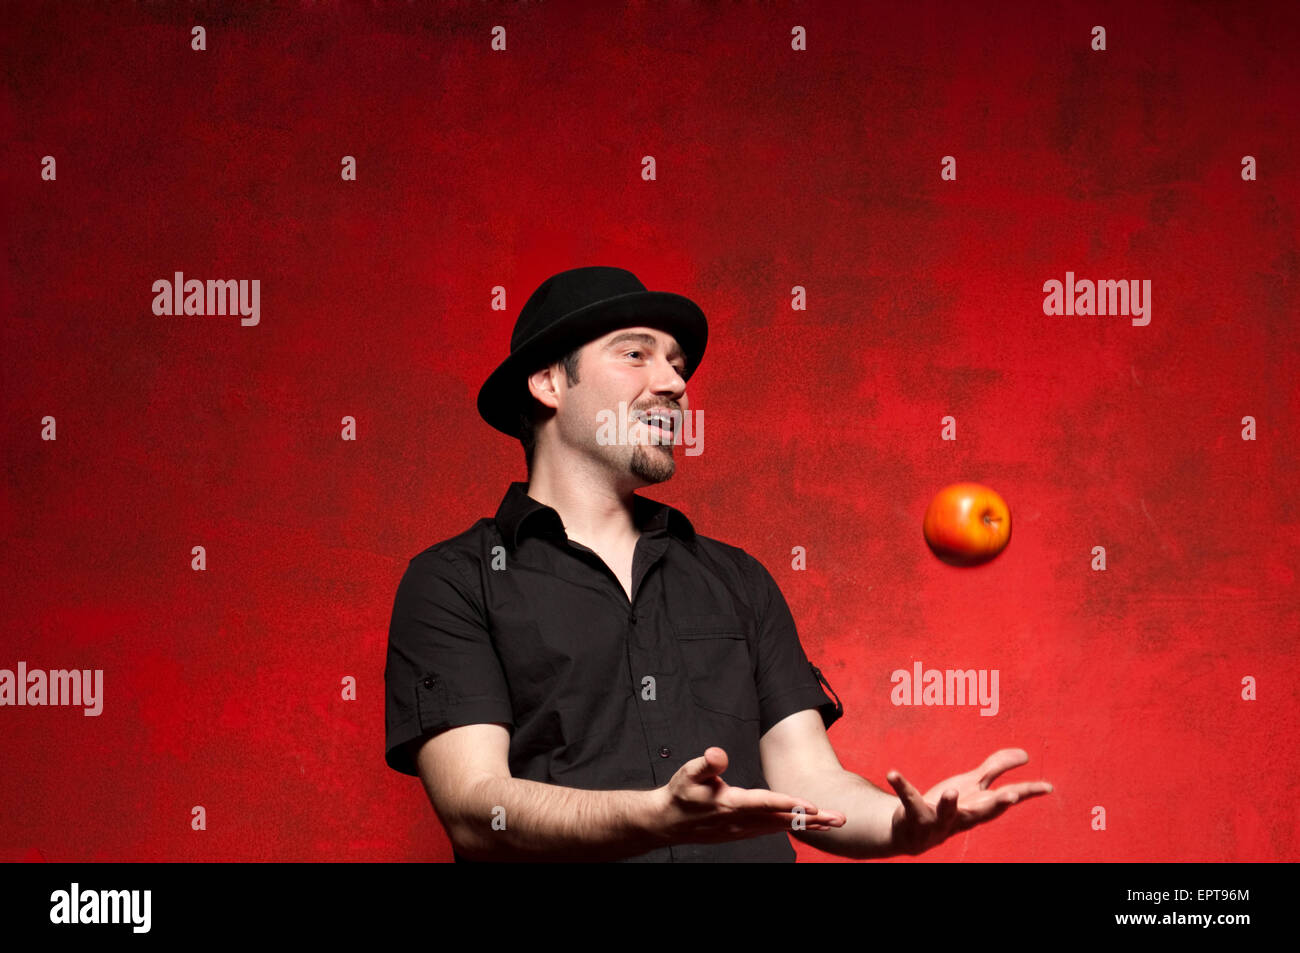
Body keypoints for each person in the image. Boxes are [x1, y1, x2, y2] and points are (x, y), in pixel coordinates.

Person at [384, 266, 1053, 861]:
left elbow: (811, 783)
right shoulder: (454, 582)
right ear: (548, 381)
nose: (674, 383)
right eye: (636, 354)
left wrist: (903, 826)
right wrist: (652, 817)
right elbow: (476, 807)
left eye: (677, 365)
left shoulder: (737, 580)